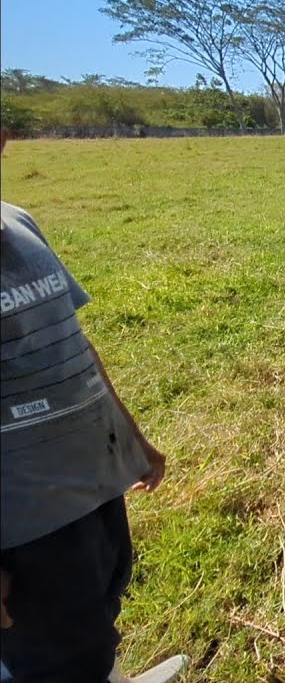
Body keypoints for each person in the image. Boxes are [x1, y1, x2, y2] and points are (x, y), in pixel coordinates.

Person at [0, 138, 188, 682]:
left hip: (91, 479)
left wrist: (132, 440)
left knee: (101, 605)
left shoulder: (18, 223)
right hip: (24, 521)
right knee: (50, 655)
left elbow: (74, 344)